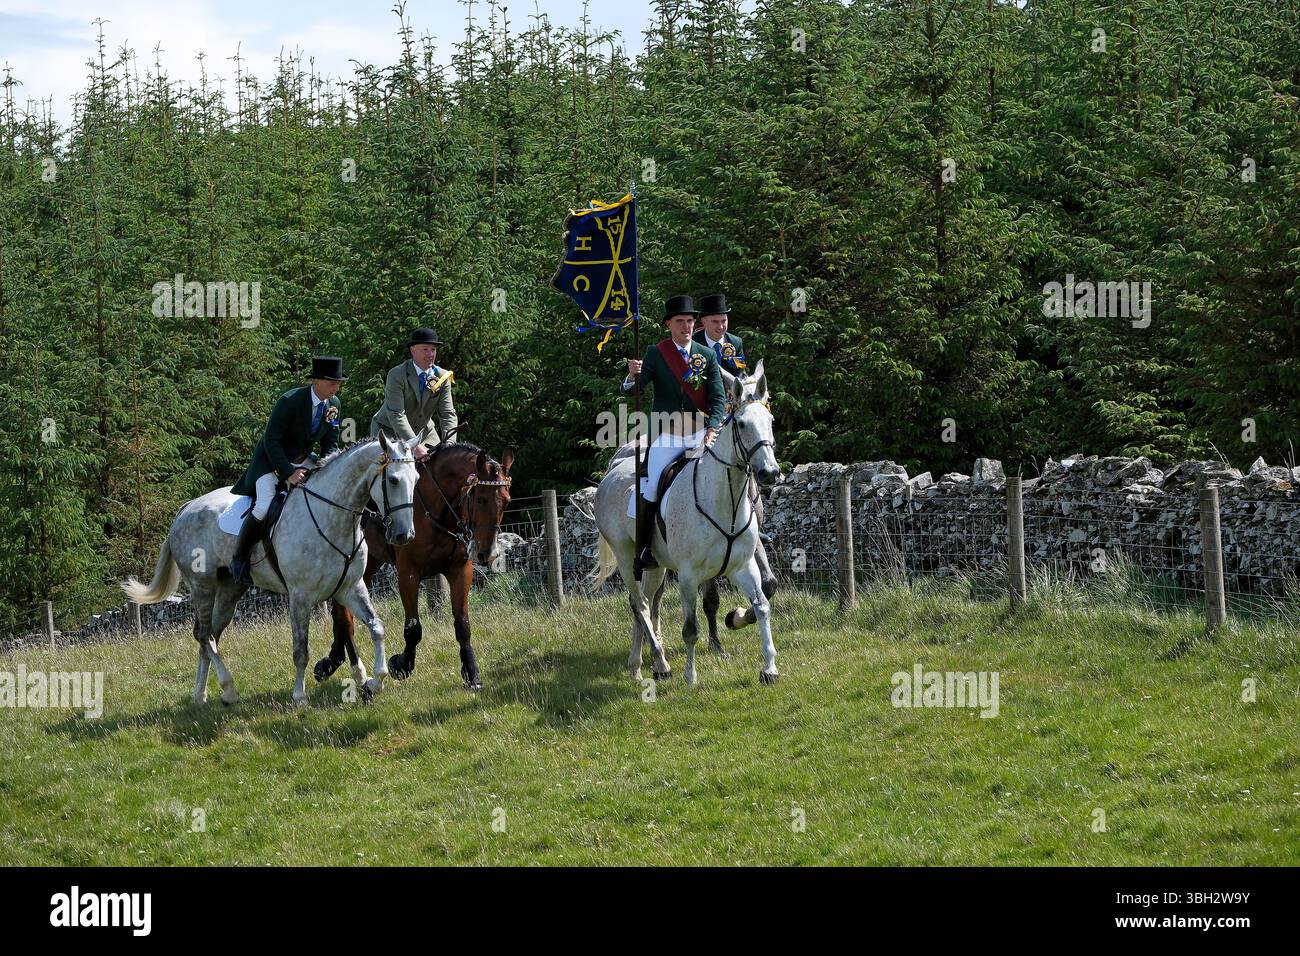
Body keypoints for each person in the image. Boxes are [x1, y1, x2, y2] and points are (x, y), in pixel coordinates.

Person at [622, 294, 726, 574]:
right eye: (680, 321)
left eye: (690, 321)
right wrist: (632, 375)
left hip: (698, 432)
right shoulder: (657, 353)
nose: (687, 326)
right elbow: (636, 388)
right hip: (667, 434)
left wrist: (713, 428)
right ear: (669, 324)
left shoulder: (706, 356)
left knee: (730, 470)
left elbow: (718, 399)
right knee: (652, 484)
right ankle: (643, 548)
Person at [229, 356, 347, 585]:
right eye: (333, 382)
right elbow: (271, 440)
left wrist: (325, 467)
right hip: (271, 460)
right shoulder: (290, 400)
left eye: (339, 382)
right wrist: (288, 473)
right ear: (316, 382)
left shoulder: (334, 405)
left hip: (302, 458)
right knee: (264, 504)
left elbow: (330, 443)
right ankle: (239, 558)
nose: (337, 387)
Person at [370, 326, 458, 457]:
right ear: (413, 350)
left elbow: (447, 414)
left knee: (442, 465)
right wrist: (415, 446)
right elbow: (397, 414)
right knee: (394, 471)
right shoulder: (396, 374)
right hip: (390, 432)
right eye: (425, 350)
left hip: (425, 434)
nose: (430, 355)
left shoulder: (443, 377)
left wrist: (449, 445)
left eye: (433, 350)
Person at [693, 292, 748, 376]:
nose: (721, 327)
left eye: (724, 321)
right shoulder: (693, 342)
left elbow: (741, 372)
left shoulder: (736, 342)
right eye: (715, 322)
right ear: (704, 322)